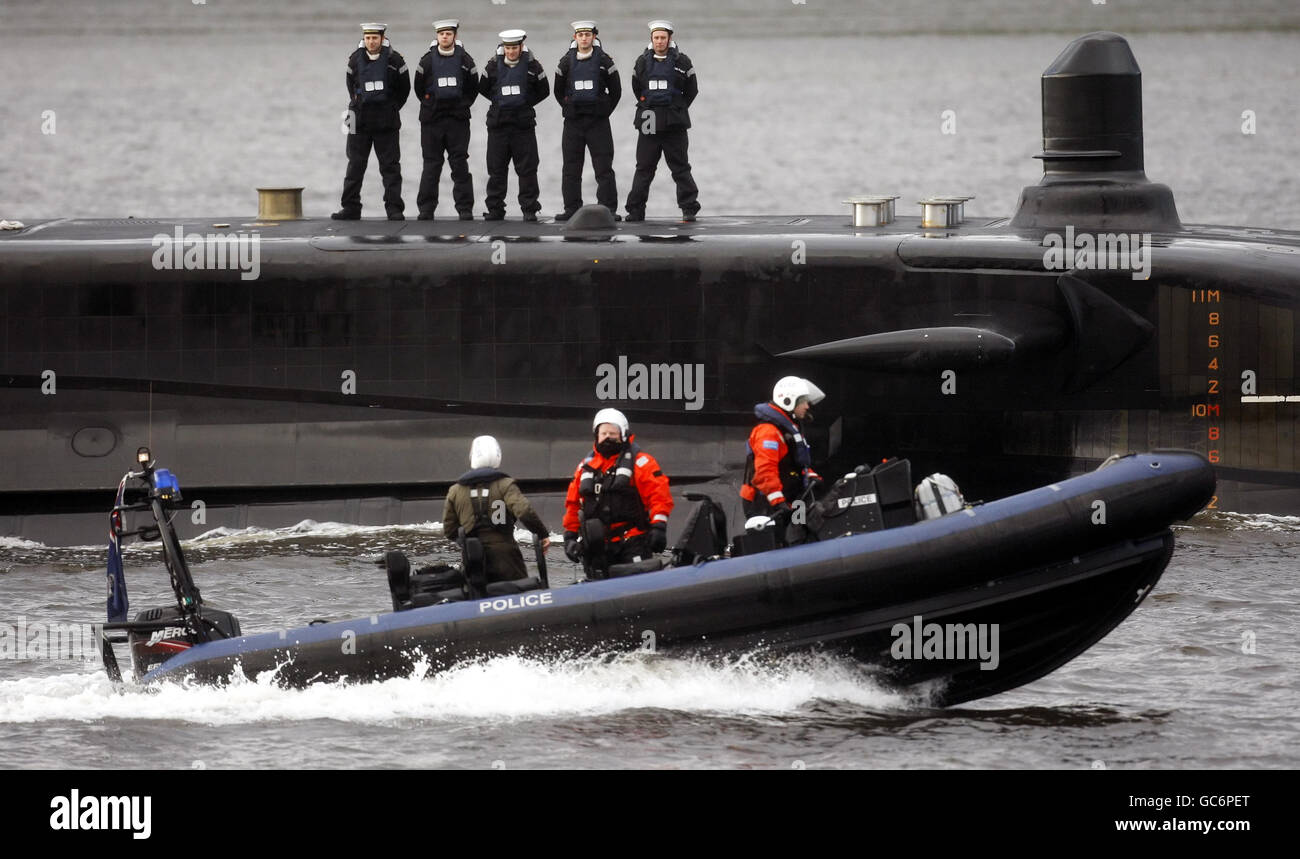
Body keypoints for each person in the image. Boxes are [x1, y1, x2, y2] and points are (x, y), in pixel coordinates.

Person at [563, 408, 673, 577]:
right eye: (604, 433)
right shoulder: (585, 468)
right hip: (597, 544)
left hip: (632, 540)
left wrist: (659, 527)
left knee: (636, 585)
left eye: (613, 433)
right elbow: (573, 504)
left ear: (623, 434)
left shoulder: (641, 462)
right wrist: (570, 537)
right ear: (596, 435)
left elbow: (659, 495)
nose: (607, 437)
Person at [442, 435, 551, 584]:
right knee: (517, 595)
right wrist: (542, 533)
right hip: (506, 557)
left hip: (473, 557)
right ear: (498, 456)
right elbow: (524, 511)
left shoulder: (455, 491)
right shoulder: (505, 485)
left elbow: (449, 530)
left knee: (476, 597)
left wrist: (466, 542)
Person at [623, 20, 699, 223]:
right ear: (651, 39)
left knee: (680, 167)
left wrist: (677, 107)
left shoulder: (683, 62)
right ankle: (635, 210)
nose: (659, 41)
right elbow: (636, 88)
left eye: (663, 38)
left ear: (669, 38)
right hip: (649, 121)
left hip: (674, 123)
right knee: (644, 168)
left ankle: (688, 208)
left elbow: (692, 90)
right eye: (656, 38)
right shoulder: (641, 62)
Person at [334, 23, 410, 221]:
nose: (371, 42)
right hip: (358, 118)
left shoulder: (395, 60)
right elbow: (350, 87)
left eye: (375, 38)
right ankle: (350, 207)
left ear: (383, 38)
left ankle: (394, 209)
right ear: (364, 38)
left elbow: (405, 90)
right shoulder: (354, 60)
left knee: (390, 166)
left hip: (387, 120)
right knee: (355, 165)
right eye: (368, 38)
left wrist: (391, 108)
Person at [553, 21, 622, 222]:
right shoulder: (565, 62)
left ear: (594, 37)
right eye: (580, 34)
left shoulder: (605, 62)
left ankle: (608, 208)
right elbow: (558, 91)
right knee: (571, 168)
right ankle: (571, 208)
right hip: (573, 123)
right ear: (575, 37)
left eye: (587, 34)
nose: (584, 38)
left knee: (604, 168)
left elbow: (616, 91)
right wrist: (569, 107)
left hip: (598, 123)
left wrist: (604, 110)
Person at [478, 29, 549, 221]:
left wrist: (525, 103)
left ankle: (529, 209)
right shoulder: (492, 66)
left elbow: (544, 90)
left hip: (523, 127)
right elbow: (482, 88)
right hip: (498, 126)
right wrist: (499, 102)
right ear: (503, 47)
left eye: (514, 48)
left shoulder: (533, 66)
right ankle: (495, 209)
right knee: (496, 169)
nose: (511, 51)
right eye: (507, 48)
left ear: (521, 46)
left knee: (527, 169)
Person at [413, 19, 479, 221]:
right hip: (432, 121)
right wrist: (431, 104)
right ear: (437, 36)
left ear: (455, 36)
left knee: (459, 164)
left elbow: (473, 88)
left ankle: (465, 209)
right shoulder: (426, 62)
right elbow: (418, 88)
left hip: (457, 122)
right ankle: (426, 209)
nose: (445, 37)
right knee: (431, 165)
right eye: (441, 34)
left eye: (449, 34)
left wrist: (461, 106)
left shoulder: (466, 61)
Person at [740, 377, 825, 525]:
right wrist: (778, 502)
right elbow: (765, 471)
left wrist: (810, 475)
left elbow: (793, 461)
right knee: (776, 543)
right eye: (803, 401)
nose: (807, 406)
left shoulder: (788, 430)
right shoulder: (769, 432)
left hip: (786, 499)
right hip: (766, 504)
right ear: (788, 401)